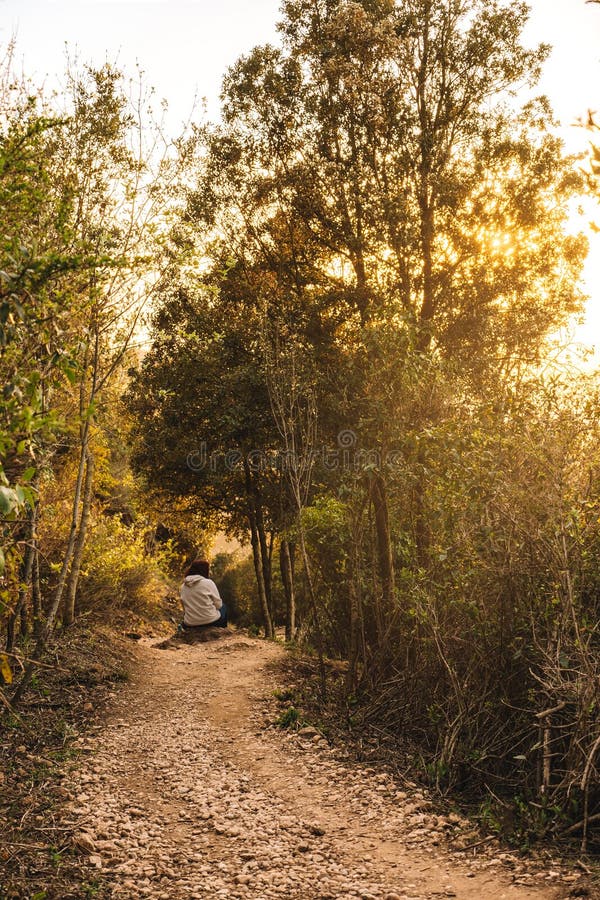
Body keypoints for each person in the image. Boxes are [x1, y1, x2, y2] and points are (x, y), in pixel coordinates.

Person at [180, 559, 228, 629]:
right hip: (210, 621)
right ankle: (222, 631)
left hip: (190, 624)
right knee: (224, 607)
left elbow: (184, 608)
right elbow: (219, 605)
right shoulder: (208, 583)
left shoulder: (182, 586)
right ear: (205, 571)